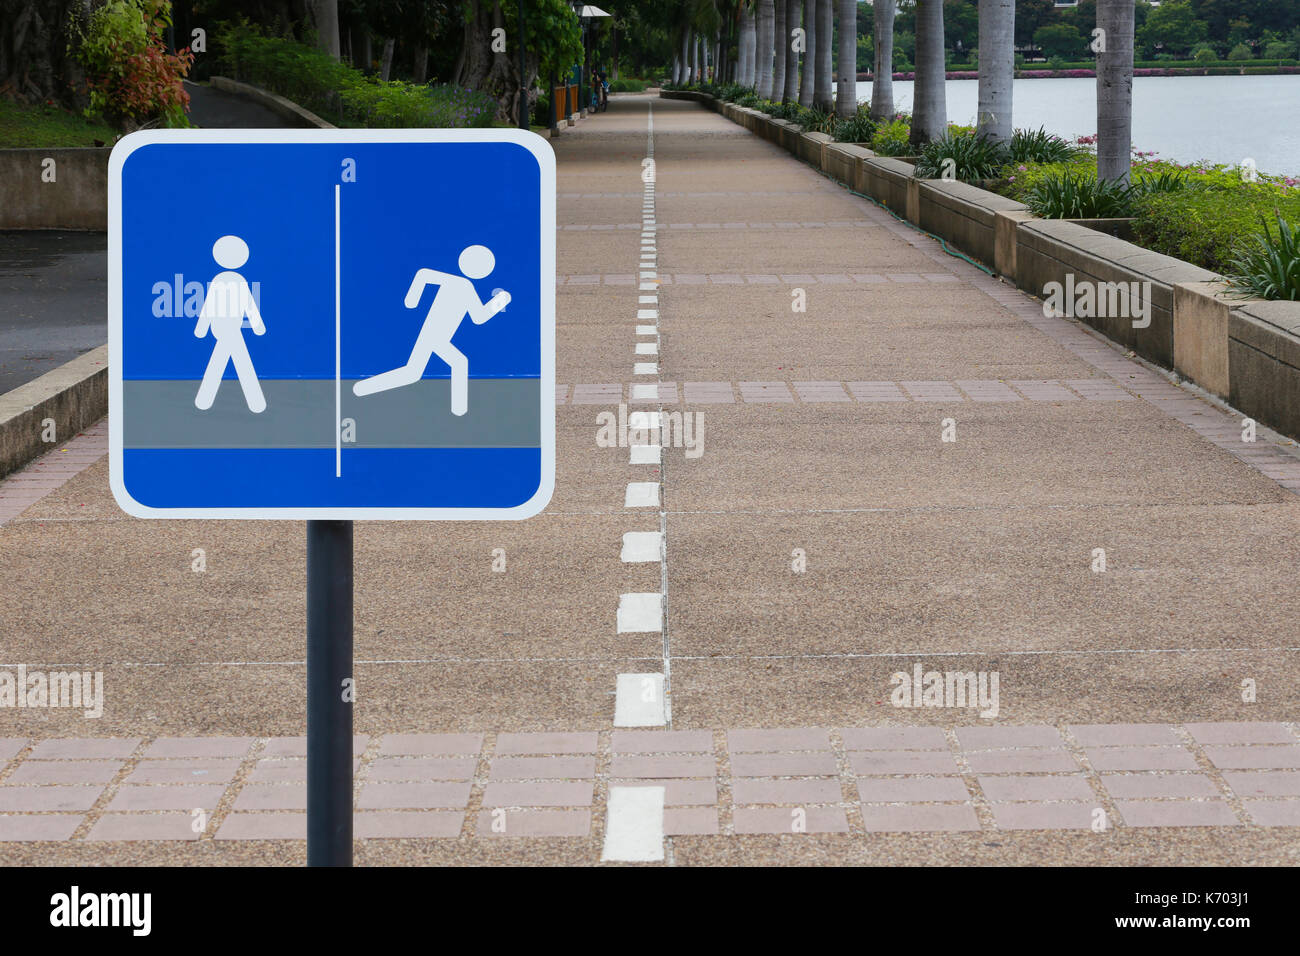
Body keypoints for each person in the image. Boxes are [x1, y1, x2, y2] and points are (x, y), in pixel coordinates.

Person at [352, 245, 510, 417]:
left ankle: (361, 388)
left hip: (438, 337)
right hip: (434, 336)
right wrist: (501, 300)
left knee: (413, 372)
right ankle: (460, 412)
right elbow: (424, 274)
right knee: (457, 363)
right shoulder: (462, 284)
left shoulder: (462, 285)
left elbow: (477, 317)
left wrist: (499, 302)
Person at [193, 234, 267, 414]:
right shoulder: (233, 281)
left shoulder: (223, 280)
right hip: (229, 327)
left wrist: (202, 329)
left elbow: (245, 303)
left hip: (225, 328)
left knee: (222, 361)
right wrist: (258, 326)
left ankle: (204, 400)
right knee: (240, 362)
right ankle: (256, 403)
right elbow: (213, 304)